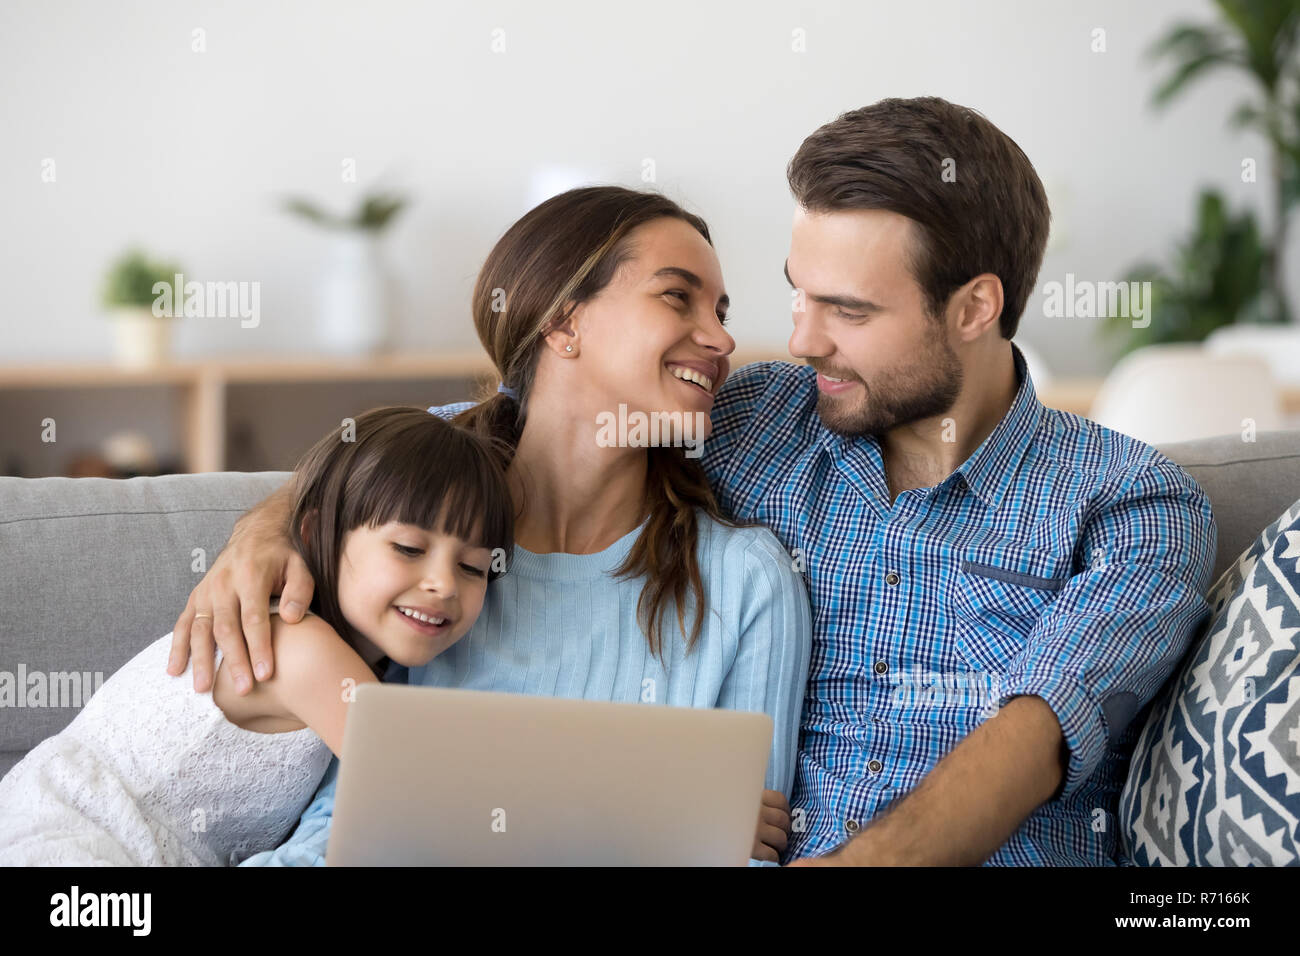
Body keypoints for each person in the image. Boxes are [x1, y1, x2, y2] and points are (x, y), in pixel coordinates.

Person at [178, 96, 1217, 867]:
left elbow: (1034, 740)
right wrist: (279, 522)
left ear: (975, 306)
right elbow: (512, 423)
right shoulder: (768, 418)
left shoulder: (1128, 504)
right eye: (794, 297)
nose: (796, 340)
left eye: (847, 310)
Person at [173, 187, 813, 866]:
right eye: (677, 297)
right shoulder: (420, 529)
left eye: (720, 310)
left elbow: (742, 848)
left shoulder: (748, 584)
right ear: (563, 323)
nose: (721, 338)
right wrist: (662, 817)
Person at [0, 407, 514, 865]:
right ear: (317, 535)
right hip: (73, 844)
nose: (443, 584)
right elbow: (427, 798)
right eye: (407, 548)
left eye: (472, 567)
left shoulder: (347, 659)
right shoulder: (302, 647)